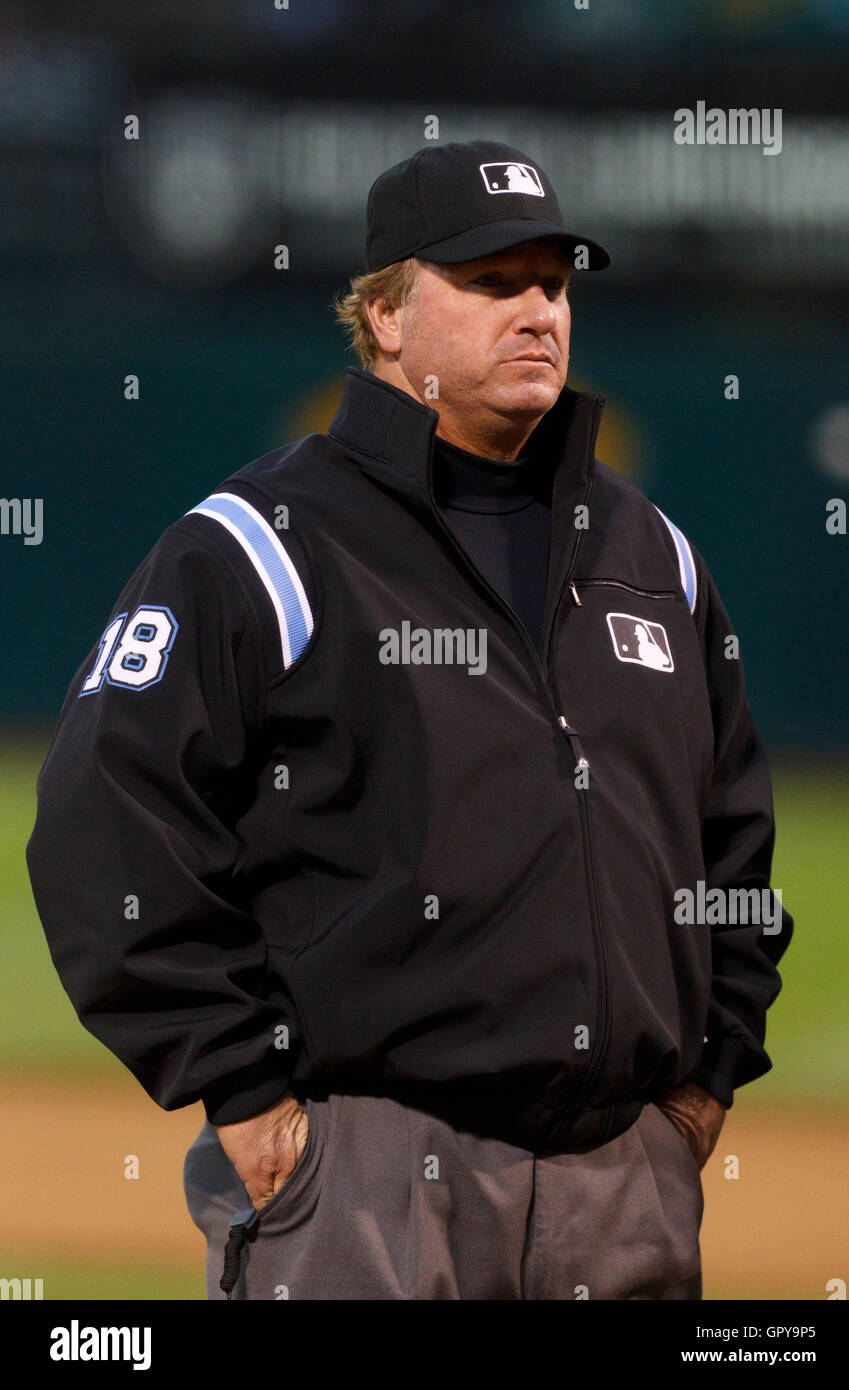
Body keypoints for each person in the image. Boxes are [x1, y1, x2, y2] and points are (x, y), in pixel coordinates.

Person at [26, 139, 793, 1300]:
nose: (535, 309)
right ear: (384, 317)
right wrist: (236, 1081)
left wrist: (703, 1083)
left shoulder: (653, 556)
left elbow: (732, 840)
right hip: (368, 1180)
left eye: (553, 282)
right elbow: (103, 821)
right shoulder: (258, 547)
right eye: (490, 282)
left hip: (619, 1185)